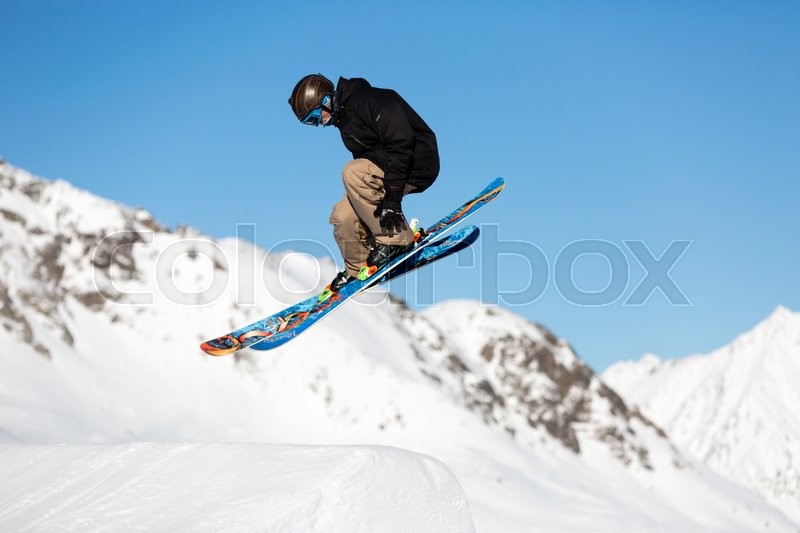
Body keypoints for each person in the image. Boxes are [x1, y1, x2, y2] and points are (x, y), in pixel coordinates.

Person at [288, 74, 440, 292]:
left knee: (352, 172)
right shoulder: (345, 122)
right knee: (343, 214)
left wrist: (393, 199)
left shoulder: (369, 100)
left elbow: (400, 141)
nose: (318, 124)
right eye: (310, 123)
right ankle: (357, 267)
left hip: (417, 160)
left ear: (326, 101)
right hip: (390, 169)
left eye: (314, 117)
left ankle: (395, 240)